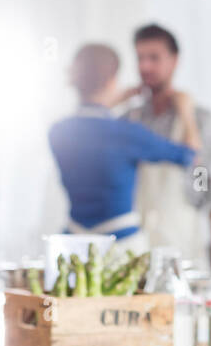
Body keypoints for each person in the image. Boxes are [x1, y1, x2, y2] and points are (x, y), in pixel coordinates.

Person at [47, 43, 200, 243]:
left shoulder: (58, 131)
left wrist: (113, 100)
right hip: (120, 244)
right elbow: (190, 155)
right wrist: (186, 110)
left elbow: (91, 123)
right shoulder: (127, 133)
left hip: (72, 241)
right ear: (112, 81)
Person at [117, 24, 211, 273]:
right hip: (132, 259)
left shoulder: (203, 122)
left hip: (185, 258)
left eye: (154, 58)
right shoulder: (127, 120)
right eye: (140, 58)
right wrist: (114, 100)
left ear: (175, 60)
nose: (145, 66)